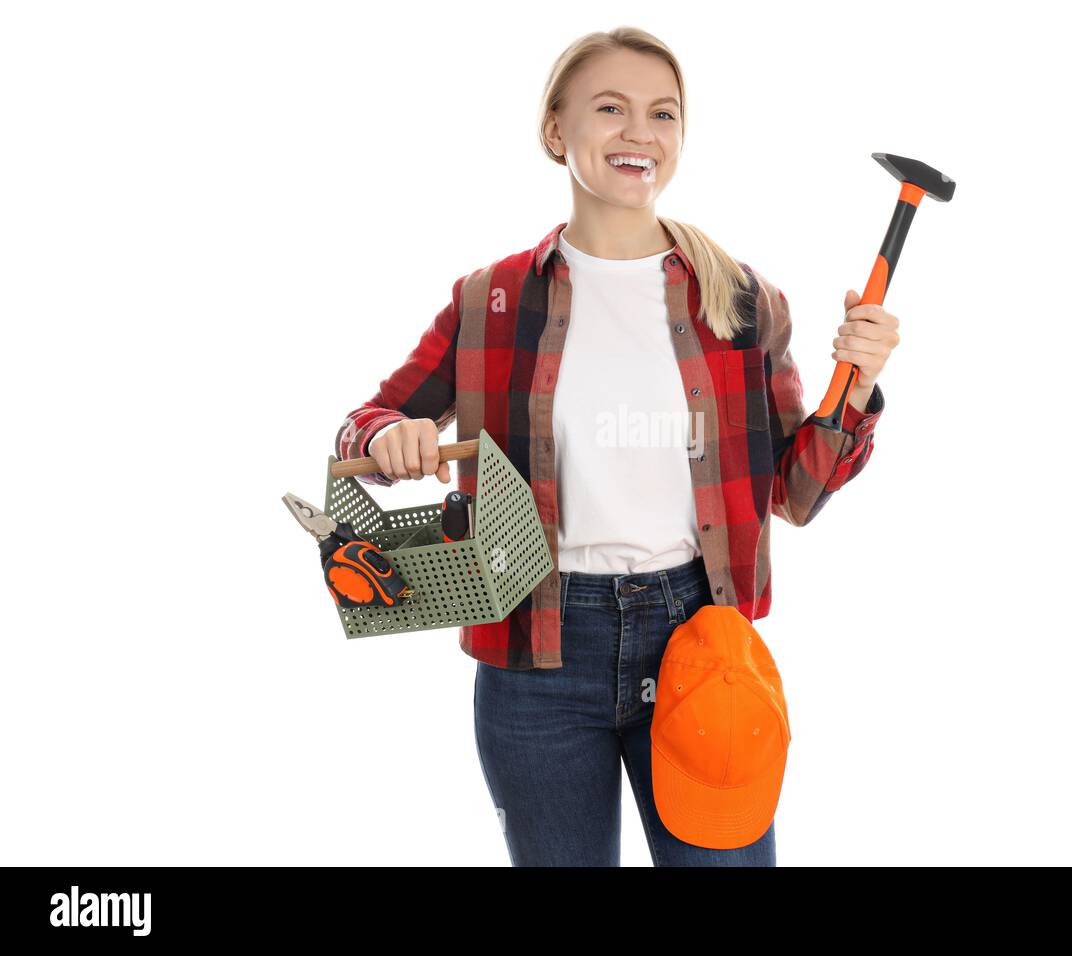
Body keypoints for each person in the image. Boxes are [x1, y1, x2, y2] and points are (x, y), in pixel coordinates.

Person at [335, 26, 899, 866]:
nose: (641, 132)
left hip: (699, 641)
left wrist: (857, 385)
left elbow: (797, 493)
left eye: (662, 114)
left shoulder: (740, 299)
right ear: (557, 131)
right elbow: (367, 421)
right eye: (611, 108)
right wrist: (395, 436)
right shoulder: (488, 300)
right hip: (535, 653)